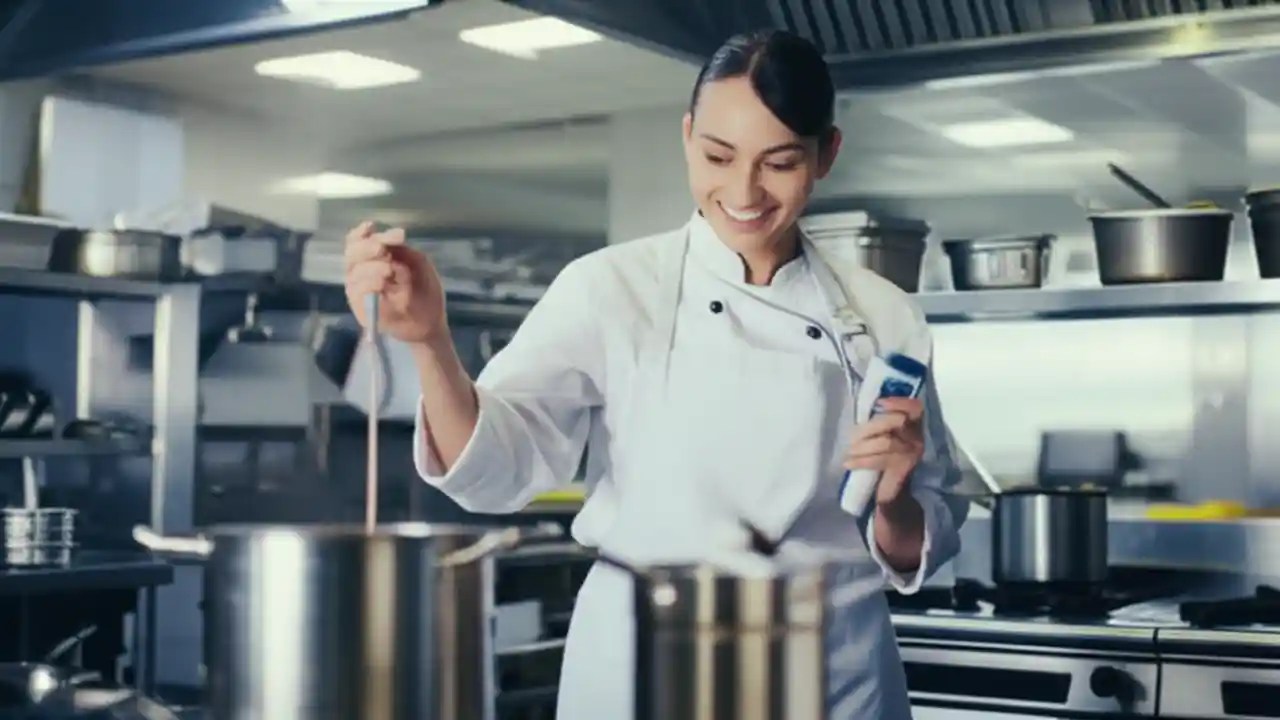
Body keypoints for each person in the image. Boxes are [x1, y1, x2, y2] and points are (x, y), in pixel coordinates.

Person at [344, 29, 968, 720]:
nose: (743, 191)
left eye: (780, 162)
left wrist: (893, 502)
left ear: (826, 154)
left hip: (829, 676)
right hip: (644, 668)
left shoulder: (885, 315)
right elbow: (495, 468)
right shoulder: (610, 288)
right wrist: (430, 342)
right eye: (717, 156)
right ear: (687, 137)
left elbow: (920, 544)